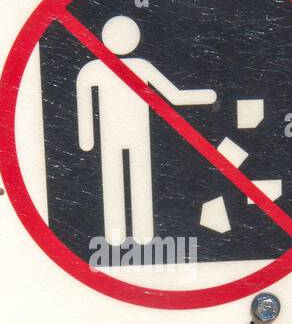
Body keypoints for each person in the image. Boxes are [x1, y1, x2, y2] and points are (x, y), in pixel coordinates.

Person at [76, 15, 216, 245]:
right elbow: (84, 101)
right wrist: (86, 138)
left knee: (137, 178)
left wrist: (204, 95)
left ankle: (141, 235)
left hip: (135, 134)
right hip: (113, 136)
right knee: (115, 178)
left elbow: (173, 95)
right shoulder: (94, 70)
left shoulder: (138, 67)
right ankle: (116, 235)